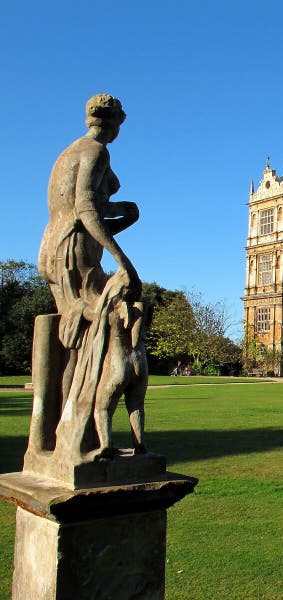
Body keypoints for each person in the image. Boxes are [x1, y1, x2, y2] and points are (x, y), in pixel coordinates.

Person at [38, 94, 146, 462]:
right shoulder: (95, 151)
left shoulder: (69, 153)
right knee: (88, 343)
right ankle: (75, 439)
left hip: (56, 246)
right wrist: (121, 258)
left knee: (76, 344)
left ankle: (59, 437)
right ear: (113, 122)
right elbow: (85, 208)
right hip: (75, 251)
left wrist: (125, 213)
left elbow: (86, 208)